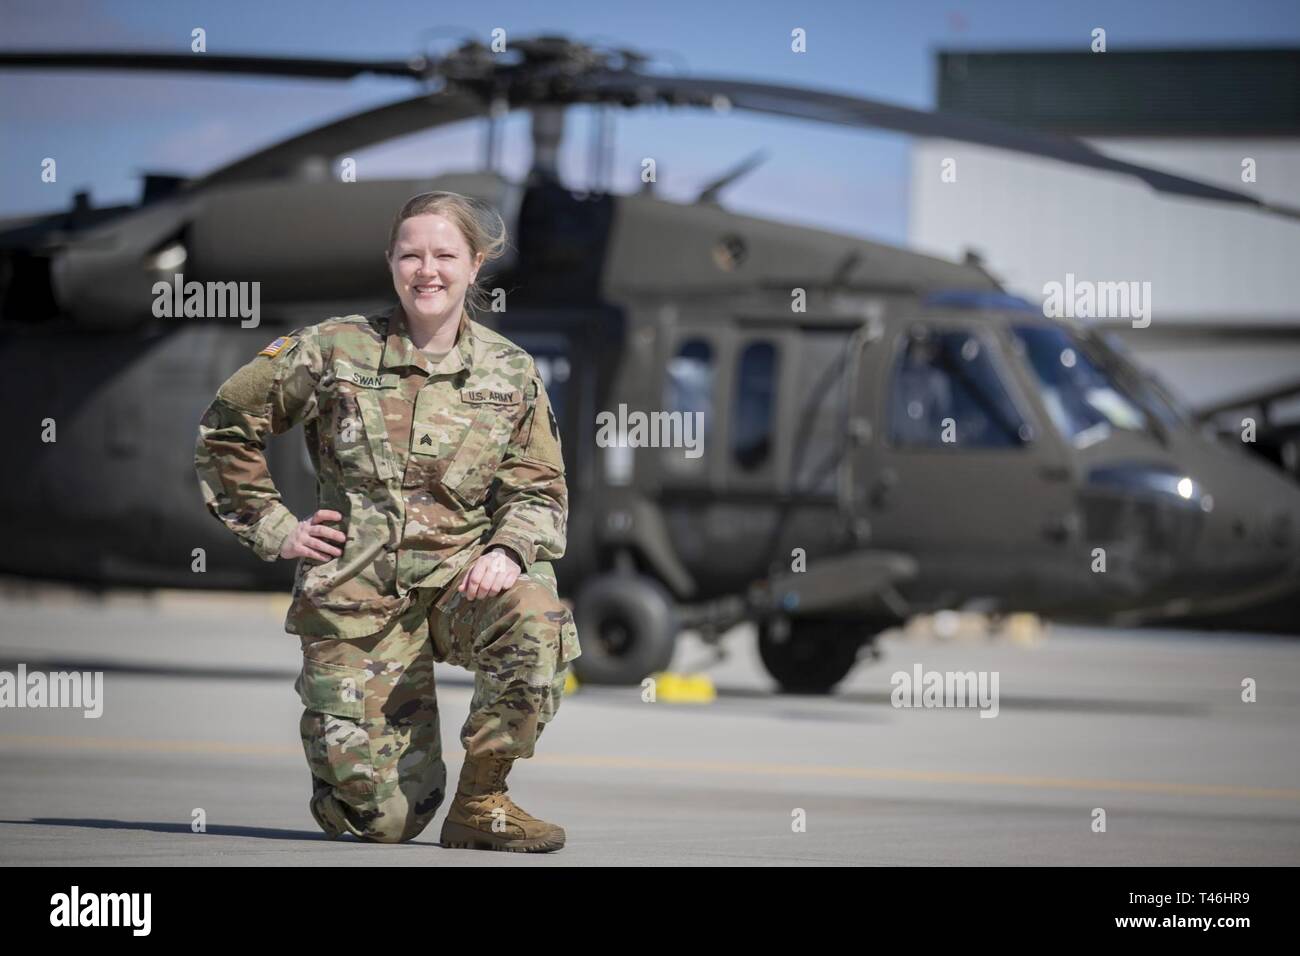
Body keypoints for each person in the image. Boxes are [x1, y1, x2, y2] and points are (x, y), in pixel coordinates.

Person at [193, 191, 579, 852]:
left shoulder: (510, 371)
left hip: (463, 585)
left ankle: (483, 801)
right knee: (382, 823)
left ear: (475, 263)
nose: (427, 271)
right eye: (411, 255)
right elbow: (225, 432)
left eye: (444, 255)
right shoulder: (332, 350)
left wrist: (510, 549)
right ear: (391, 263)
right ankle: (386, 766)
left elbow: (538, 484)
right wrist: (273, 524)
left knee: (537, 617)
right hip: (356, 598)